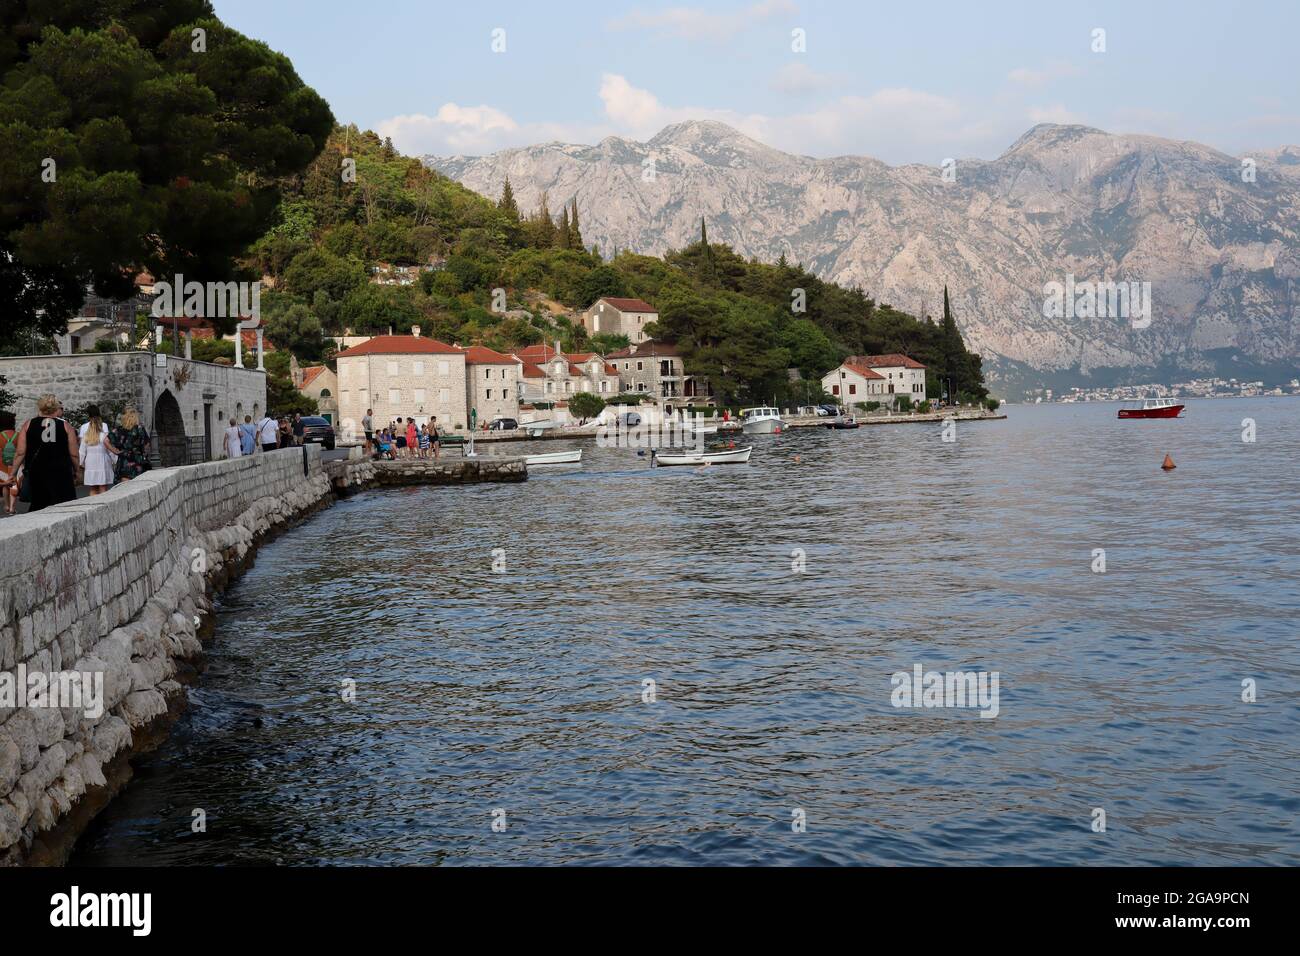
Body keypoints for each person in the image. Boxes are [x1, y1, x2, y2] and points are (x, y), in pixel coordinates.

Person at [5, 394, 78, 511]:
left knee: (39, 506)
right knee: (64, 508)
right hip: (61, 472)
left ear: (40, 408)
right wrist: (77, 471)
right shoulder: (66, 426)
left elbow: (20, 453)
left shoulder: (28, 425)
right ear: (55, 409)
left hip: (37, 473)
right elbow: (74, 454)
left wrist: (12, 474)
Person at [77, 405, 120, 496]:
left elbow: (82, 451)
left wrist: (80, 463)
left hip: (90, 463)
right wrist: (115, 459)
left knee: (93, 488)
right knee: (102, 487)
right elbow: (109, 448)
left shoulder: (86, 435)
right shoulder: (103, 435)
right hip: (102, 461)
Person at [110, 406, 152, 482]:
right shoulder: (140, 429)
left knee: (125, 488)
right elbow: (147, 444)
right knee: (138, 487)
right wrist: (144, 455)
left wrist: (115, 451)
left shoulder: (119, 430)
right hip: (137, 460)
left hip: (124, 461)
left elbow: (105, 440)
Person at [0, 419, 18, 515]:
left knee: (5, 483)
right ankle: (12, 507)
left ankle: (6, 505)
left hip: (2, 462)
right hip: (14, 462)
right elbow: (20, 451)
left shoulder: (0, 436)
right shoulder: (17, 435)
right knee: (13, 482)